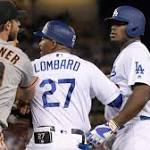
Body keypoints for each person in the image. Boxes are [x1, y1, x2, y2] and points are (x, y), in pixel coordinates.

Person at [25, 20, 123, 150]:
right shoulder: (87, 68)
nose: (39, 43)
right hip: (74, 142)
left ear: (53, 43)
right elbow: (117, 101)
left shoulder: (31, 67)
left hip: (41, 142)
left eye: (43, 39)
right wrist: (110, 126)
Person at [86, 5, 150, 150]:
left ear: (134, 26)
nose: (113, 27)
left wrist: (112, 125)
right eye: (112, 24)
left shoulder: (136, 51)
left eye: (119, 24)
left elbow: (143, 92)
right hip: (127, 128)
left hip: (137, 129)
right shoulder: (127, 53)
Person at [0, 0, 37, 149]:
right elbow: (28, 96)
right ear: (8, 25)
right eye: (16, 21)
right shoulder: (19, 57)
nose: (19, 25)